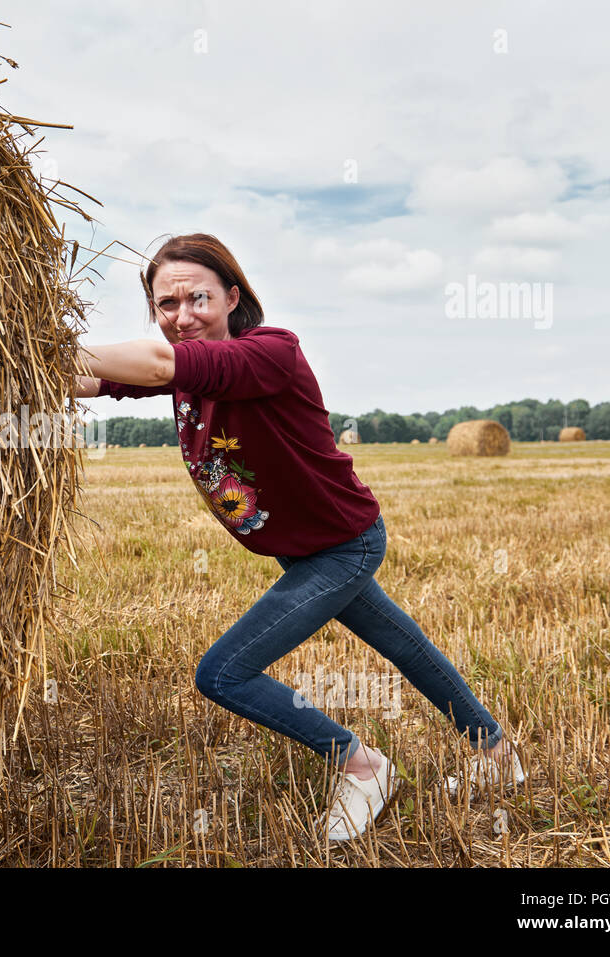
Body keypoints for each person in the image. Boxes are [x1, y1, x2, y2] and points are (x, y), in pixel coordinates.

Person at [73, 233, 525, 840]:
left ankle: (360, 765)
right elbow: (92, 380)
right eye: (165, 305)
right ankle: (496, 755)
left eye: (197, 299)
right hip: (303, 547)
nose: (182, 317)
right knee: (404, 644)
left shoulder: (270, 352)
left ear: (233, 296)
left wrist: (41, 342)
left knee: (223, 674)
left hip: (345, 543)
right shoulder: (189, 373)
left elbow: (156, 362)